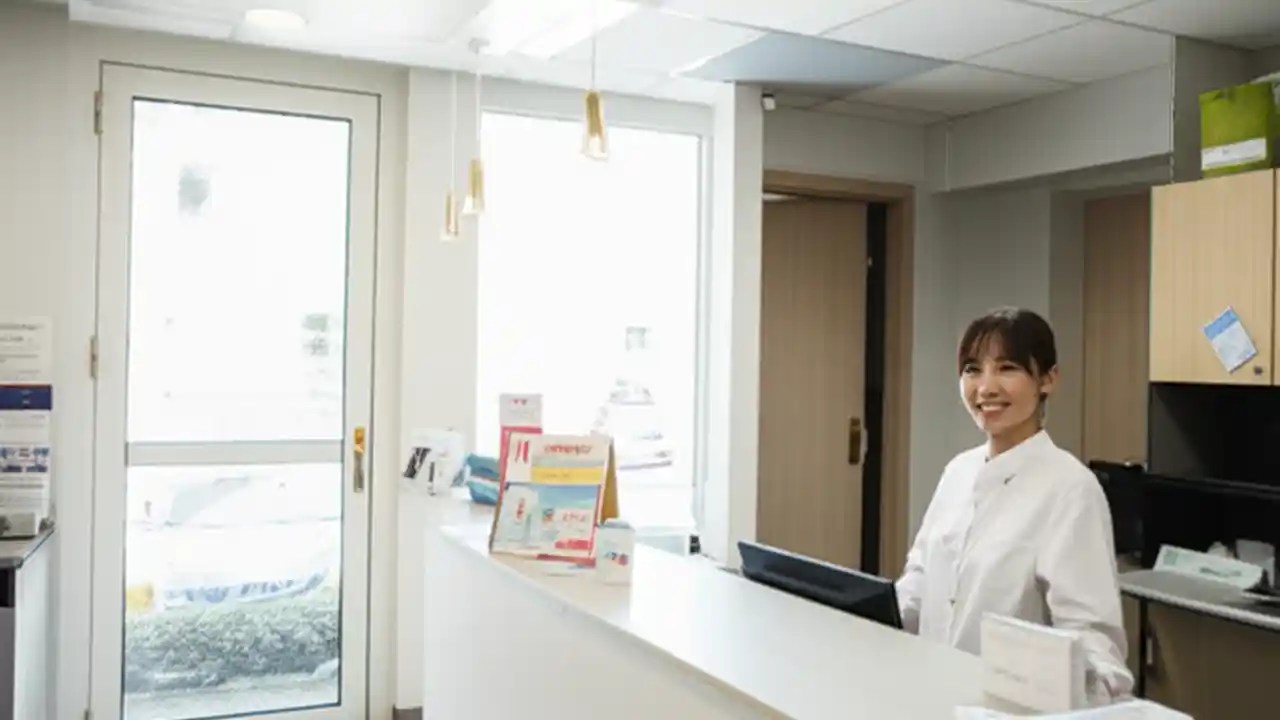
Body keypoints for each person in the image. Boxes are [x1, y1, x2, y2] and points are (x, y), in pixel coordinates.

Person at [896, 307, 1133, 705]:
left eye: (1006, 368)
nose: (985, 388)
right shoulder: (958, 471)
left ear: (1048, 379)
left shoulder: (1070, 488)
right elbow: (919, 582)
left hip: (1012, 709)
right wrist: (860, 617)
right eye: (972, 370)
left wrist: (1087, 689)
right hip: (933, 696)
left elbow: (1094, 640)